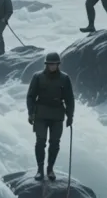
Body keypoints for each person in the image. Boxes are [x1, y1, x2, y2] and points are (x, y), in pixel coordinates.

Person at [26, 52, 74, 181]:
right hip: (40, 114)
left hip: (57, 115)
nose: (52, 66)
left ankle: (50, 169)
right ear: (46, 64)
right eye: (50, 64)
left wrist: (70, 116)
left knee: (54, 143)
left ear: (58, 64)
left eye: (54, 64)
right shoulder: (37, 77)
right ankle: (40, 169)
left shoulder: (65, 78)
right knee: (40, 142)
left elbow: (70, 99)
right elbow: (30, 96)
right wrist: (31, 113)